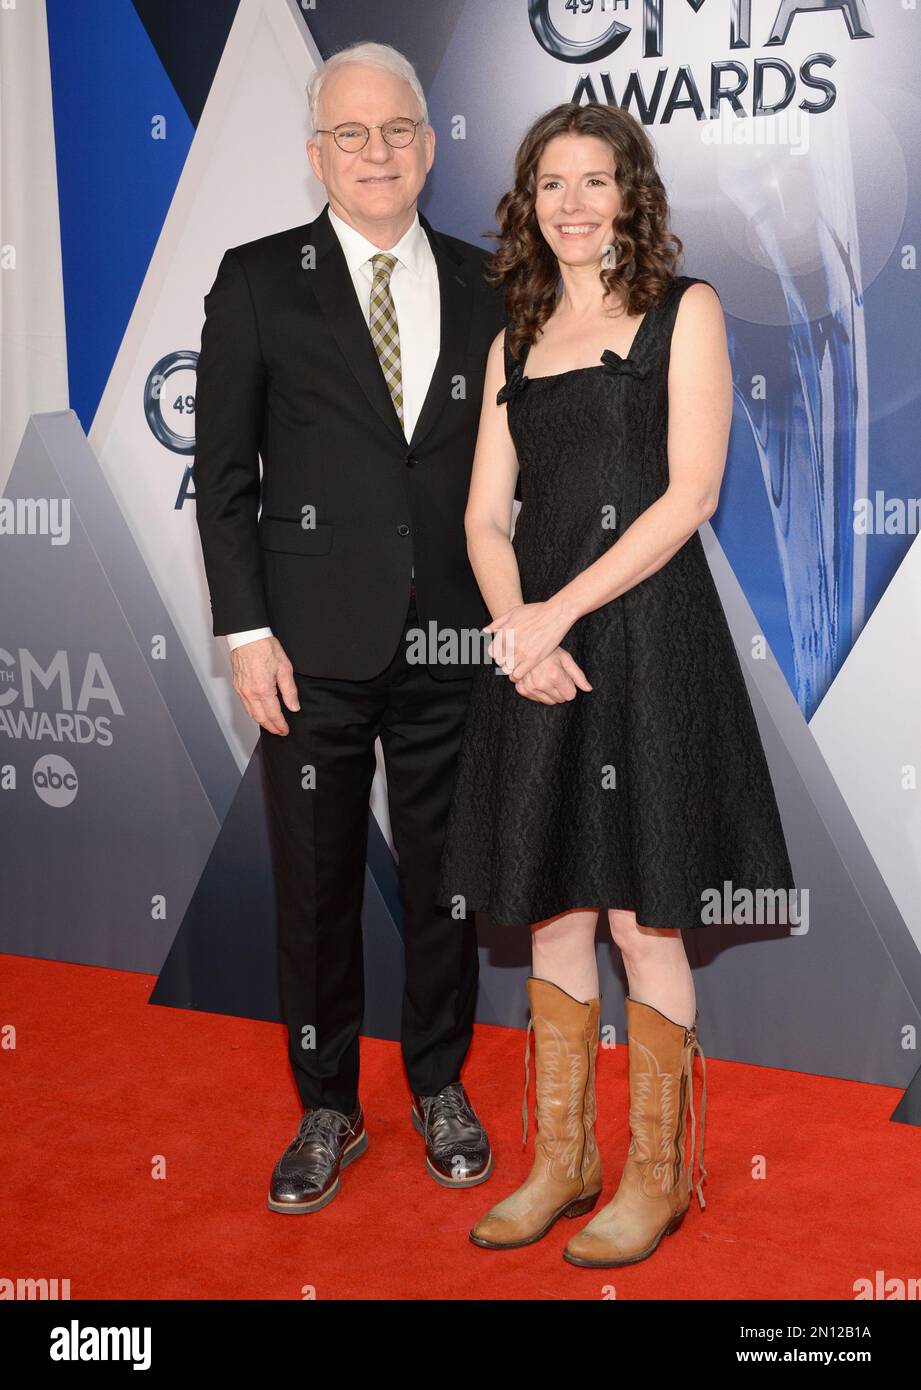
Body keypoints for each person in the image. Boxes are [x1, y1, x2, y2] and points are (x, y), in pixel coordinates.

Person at [437, 101, 797, 1266]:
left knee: (647, 917)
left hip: (646, 636)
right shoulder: (513, 337)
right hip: (540, 653)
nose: (575, 204)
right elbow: (485, 515)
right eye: (553, 184)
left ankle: (655, 1174)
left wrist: (558, 612)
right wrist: (516, 631)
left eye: (596, 182)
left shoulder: (685, 312)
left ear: (631, 194)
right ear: (527, 202)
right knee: (551, 907)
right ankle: (562, 1159)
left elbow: (689, 496)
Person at [193, 43, 505, 1214]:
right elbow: (223, 477)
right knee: (316, 885)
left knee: (445, 884)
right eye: (351, 135)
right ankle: (327, 1105)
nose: (377, 154)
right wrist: (245, 634)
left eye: (397, 131)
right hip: (307, 648)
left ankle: (439, 1085)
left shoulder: (487, 286)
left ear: (427, 144)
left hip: (453, 645)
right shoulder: (261, 278)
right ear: (318, 153)